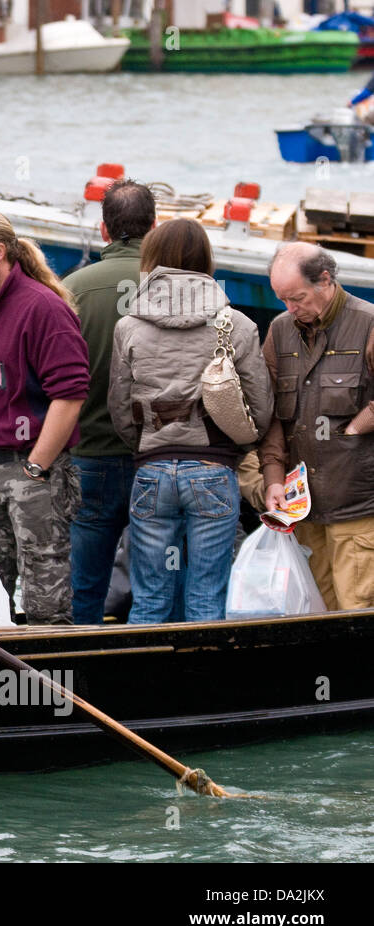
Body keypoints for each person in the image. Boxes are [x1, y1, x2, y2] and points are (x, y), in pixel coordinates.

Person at [109, 219, 273, 624]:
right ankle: (203, 683)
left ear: (152, 260)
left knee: (148, 599)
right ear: (205, 260)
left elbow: (119, 407)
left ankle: (138, 682)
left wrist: (147, 444)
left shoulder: (128, 326)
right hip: (213, 469)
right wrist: (237, 447)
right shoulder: (238, 325)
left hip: (153, 470)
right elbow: (261, 408)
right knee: (206, 596)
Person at [0, 206, 89, 625]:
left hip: (32, 468)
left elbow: (71, 395)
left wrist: (35, 468)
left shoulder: (43, 308)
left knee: (46, 595)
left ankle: (50, 681)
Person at [63, 178, 156, 624]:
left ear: (103, 230)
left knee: (85, 582)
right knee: (157, 579)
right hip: (159, 455)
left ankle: (82, 661)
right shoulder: (184, 288)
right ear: (154, 228)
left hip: (91, 453)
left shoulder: (73, 288)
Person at [262, 243, 374, 610]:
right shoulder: (279, 332)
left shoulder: (369, 323)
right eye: (282, 300)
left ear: (325, 280)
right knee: (312, 614)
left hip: (357, 511)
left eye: (297, 298)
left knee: (356, 612)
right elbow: (272, 416)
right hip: (303, 512)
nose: (290, 309)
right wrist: (273, 478)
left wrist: (356, 428)